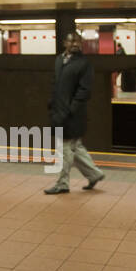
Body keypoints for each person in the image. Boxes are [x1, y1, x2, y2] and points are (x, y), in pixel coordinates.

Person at [45, 33, 104, 194]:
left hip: (73, 115)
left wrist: (71, 109)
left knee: (65, 149)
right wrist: (52, 103)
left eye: (78, 41)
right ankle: (94, 174)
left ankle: (62, 183)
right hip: (59, 111)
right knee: (75, 147)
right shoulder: (59, 60)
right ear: (65, 43)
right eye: (71, 40)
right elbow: (55, 83)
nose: (75, 44)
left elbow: (84, 91)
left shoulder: (84, 64)